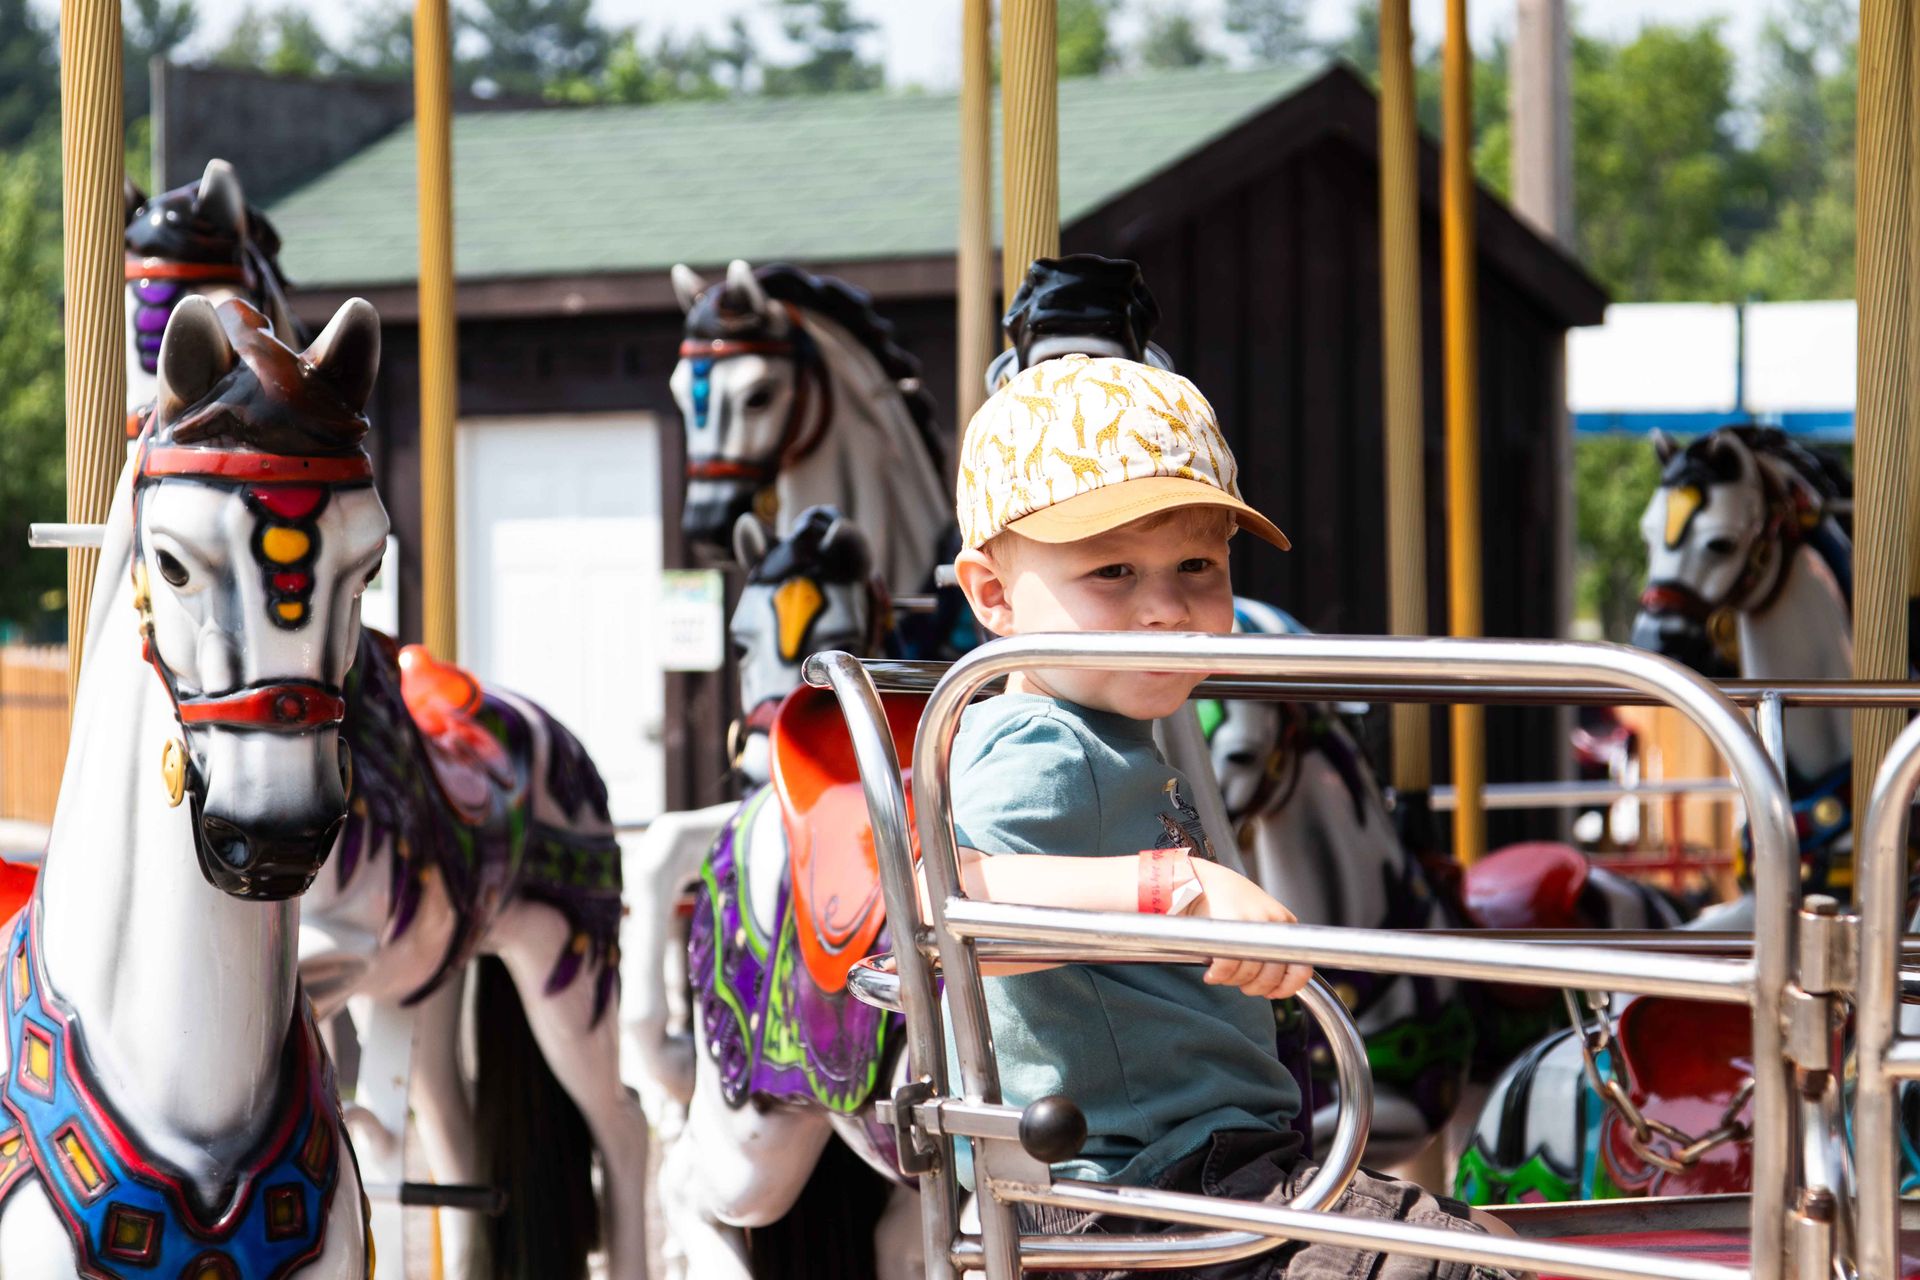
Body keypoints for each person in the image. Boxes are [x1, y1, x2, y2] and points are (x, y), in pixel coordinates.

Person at [944, 353, 1517, 1280]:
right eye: (1114, 570)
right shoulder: (1038, 745)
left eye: (1198, 565)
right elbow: (958, 908)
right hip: (1140, 1185)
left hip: (1206, 1165)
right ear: (995, 595)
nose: (1166, 608)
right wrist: (1175, 886)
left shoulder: (1111, 731)